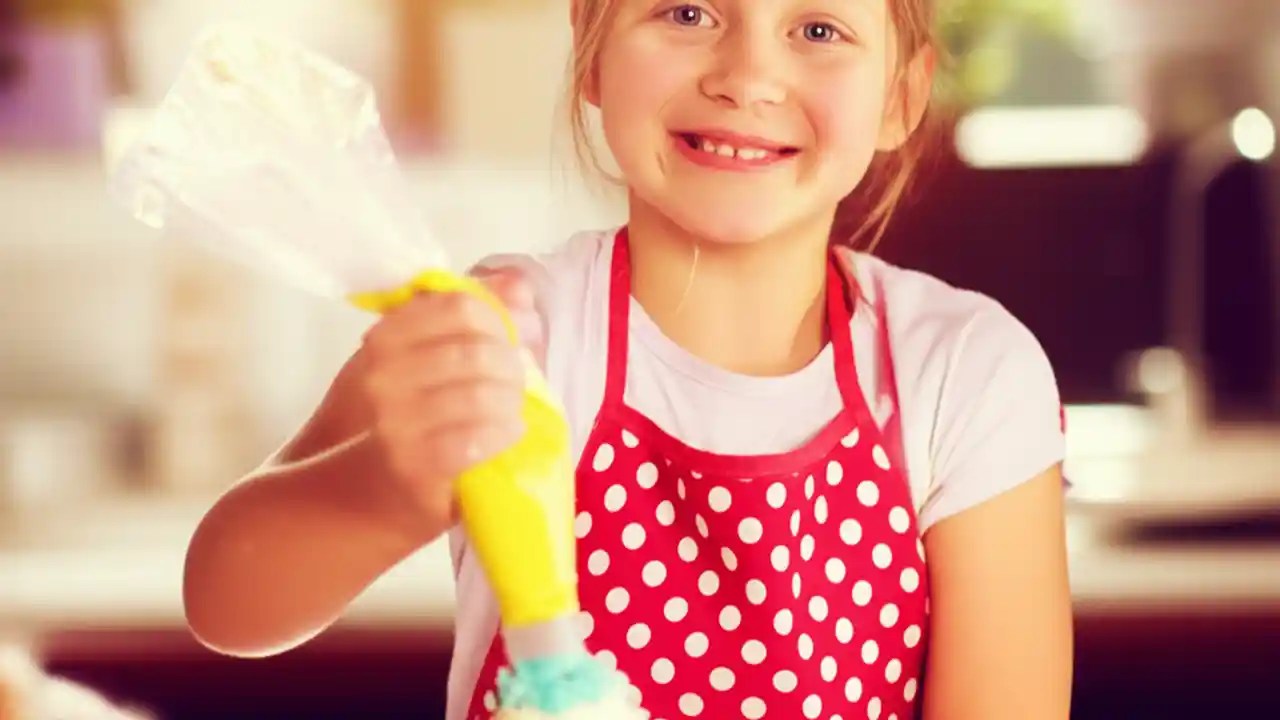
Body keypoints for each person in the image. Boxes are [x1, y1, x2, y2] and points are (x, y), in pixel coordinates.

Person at [182, 1, 1074, 718]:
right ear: (591, 45)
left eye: (817, 29)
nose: (746, 78)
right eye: (687, 13)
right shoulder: (511, 334)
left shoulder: (963, 375)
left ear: (900, 96)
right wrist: (393, 485)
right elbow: (227, 602)